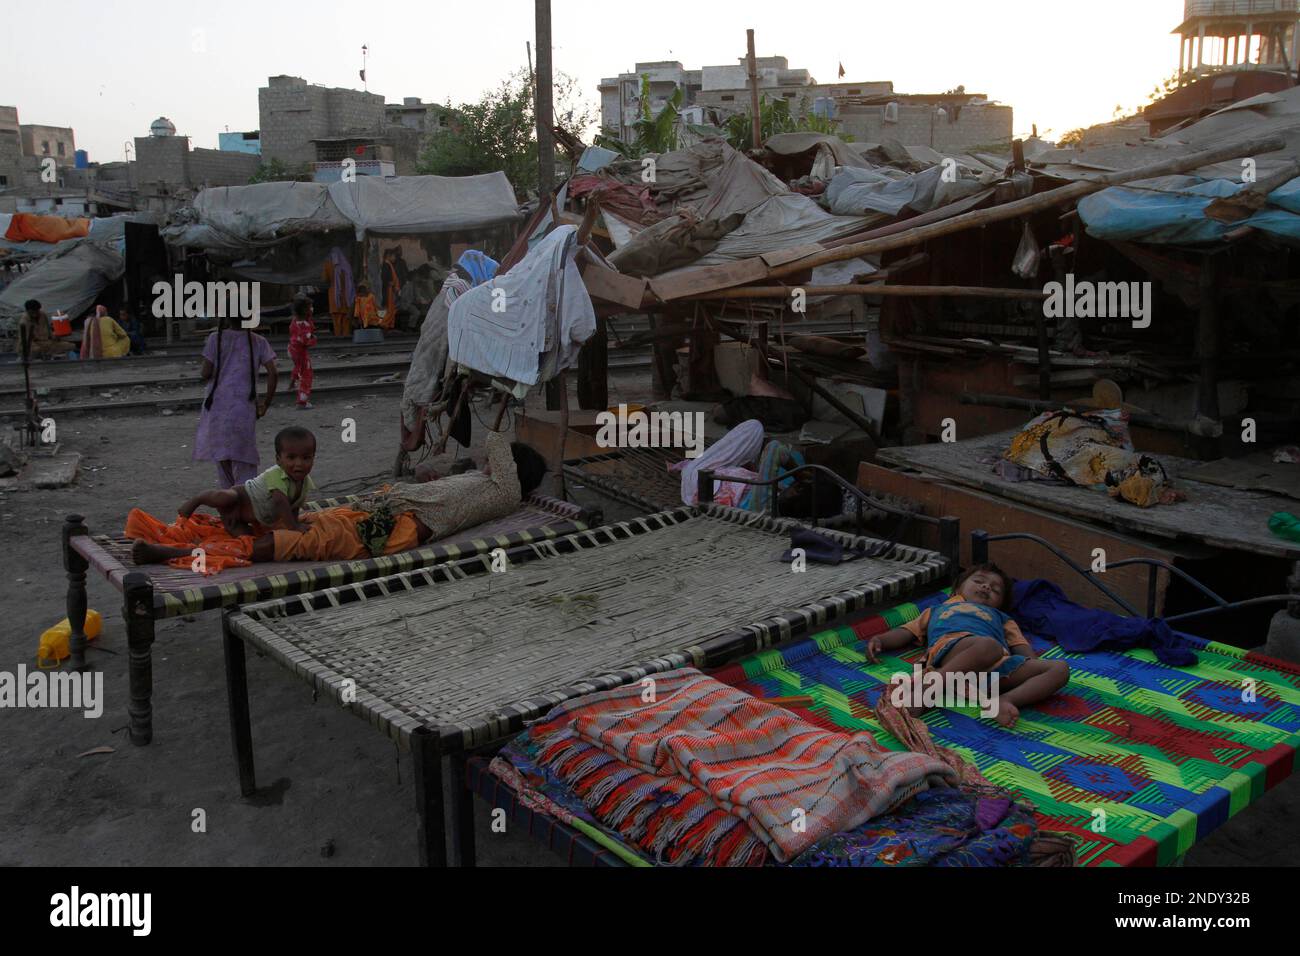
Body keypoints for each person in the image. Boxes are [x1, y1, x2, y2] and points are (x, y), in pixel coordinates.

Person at [128, 434, 550, 569]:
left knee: (298, 542)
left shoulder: (506, 492)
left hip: (392, 528)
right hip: (378, 508)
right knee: (295, 518)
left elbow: (495, 439)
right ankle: (221, 528)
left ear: (513, 471)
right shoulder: (483, 481)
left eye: (503, 464)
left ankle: (178, 552)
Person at [866, 563, 1070, 728]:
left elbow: (1023, 650)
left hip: (992, 673)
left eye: (995, 589)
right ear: (957, 589)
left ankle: (1003, 701)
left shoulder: (1002, 618)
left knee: (1060, 669)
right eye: (979, 581)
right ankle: (929, 688)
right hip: (953, 655)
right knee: (989, 646)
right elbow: (906, 631)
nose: (986, 587)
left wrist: (1031, 670)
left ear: (1001, 604)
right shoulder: (937, 609)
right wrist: (880, 640)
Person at [177, 426, 317, 536]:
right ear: (278, 460)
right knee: (223, 497)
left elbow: (294, 506)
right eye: (291, 458)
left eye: (306, 458)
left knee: (246, 537)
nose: (299, 464)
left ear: (313, 458)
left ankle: (230, 523)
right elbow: (280, 501)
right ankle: (198, 499)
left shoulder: (304, 482)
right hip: (240, 498)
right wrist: (293, 527)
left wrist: (295, 522)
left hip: (248, 515)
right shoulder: (276, 474)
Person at [194, 314, 278, 489]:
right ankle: (246, 502)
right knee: (244, 459)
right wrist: (265, 404)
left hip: (217, 405)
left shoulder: (215, 338)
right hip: (243, 407)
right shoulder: (258, 341)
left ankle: (229, 503)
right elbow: (273, 372)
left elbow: (205, 373)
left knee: (222, 457)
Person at [287, 296, 317, 409]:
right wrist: (314, 339)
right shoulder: (305, 326)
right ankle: (302, 402)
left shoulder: (295, 320)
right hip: (300, 351)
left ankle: (293, 381)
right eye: (310, 307)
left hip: (292, 349)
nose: (312, 309)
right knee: (307, 375)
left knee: (299, 367)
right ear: (305, 310)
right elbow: (306, 341)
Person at [322, 246, 355, 338]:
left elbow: (324, 279)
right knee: (346, 319)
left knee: (336, 321)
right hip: (346, 298)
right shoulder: (346, 265)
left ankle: (338, 339)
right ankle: (346, 338)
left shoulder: (328, 264)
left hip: (334, 298)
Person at [380, 249, 400, 330]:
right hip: (388, 290)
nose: (395, 258)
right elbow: (385, 278)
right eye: (394, 256)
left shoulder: (389, 265)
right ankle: (384, 324)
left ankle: (388, 325)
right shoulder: (386, 265)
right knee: (389, 309)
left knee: (391, 309)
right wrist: (391, 283)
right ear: (388, 255)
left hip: (390, 290)